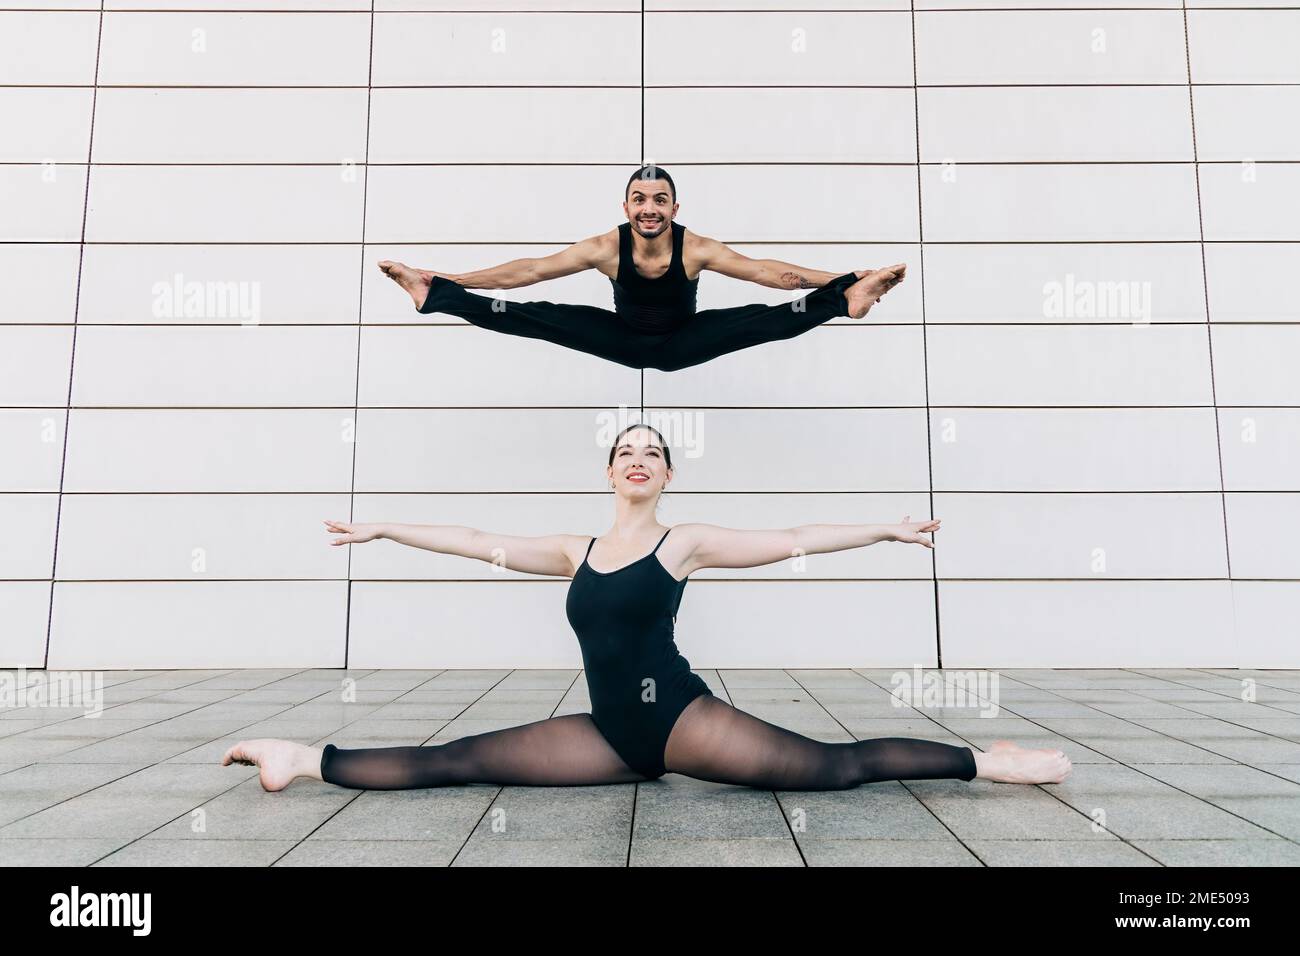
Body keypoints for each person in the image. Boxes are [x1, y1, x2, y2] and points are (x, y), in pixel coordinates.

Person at [222, 424, 1072, 793]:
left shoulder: (684, 543)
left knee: (834, 770)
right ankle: (298, 759)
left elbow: (791, 535)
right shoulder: (572, 552)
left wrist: (886, 531)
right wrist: (382, 530)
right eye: (625, 451)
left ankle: (985, 761)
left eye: (652, 453)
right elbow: (472, 537)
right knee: (459, 760)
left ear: (668, 476)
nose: (638, 460)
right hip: (605, 735)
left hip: (678, 720)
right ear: (608, 473)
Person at [375, 164, 906, 371]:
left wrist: (842, 279)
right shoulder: (606, 247)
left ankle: (847, 300)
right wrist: (450, 279)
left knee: (763, 319)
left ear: (676, 208)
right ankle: (433, 294)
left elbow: (766, 273)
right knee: (536, 314)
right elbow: (531, 271)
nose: (649, 207)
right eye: (639, 199)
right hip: (622, 338)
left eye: (659, 199)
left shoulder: (695, 247)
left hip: (685, 340)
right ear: (625, 207)